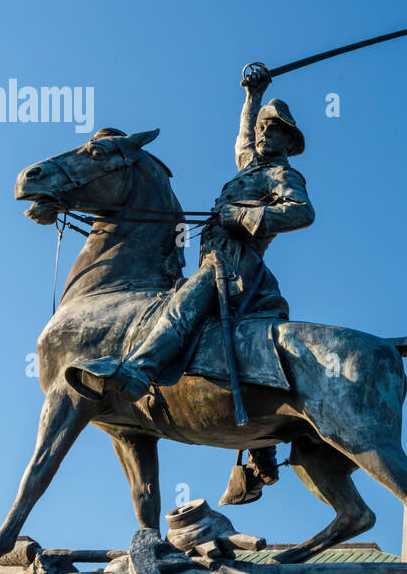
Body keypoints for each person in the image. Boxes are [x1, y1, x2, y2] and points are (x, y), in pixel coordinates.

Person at [66, 64, 314, 499]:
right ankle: (262, 447)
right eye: (262, 129)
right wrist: (252, 96)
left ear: (287, 141)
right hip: (213, 258)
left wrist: (246, 215)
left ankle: (139, 372)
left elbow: (302, 213)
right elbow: (241, 138)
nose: (262, 135)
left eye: (273, 131)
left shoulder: (281, 175)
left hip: (237, 267)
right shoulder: (248, 166)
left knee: (183, 304)